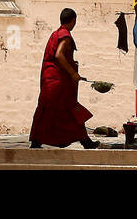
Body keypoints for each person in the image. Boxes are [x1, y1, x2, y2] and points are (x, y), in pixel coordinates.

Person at [29, 8, 97, 149]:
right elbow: (59, 55)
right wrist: (72, 73)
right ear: (73, 21)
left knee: (48, 111)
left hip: (51, 79)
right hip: (58, 81)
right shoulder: (65, 35)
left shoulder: (55, 34)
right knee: (69, 109)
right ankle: (84, 141)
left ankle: (37, 140)